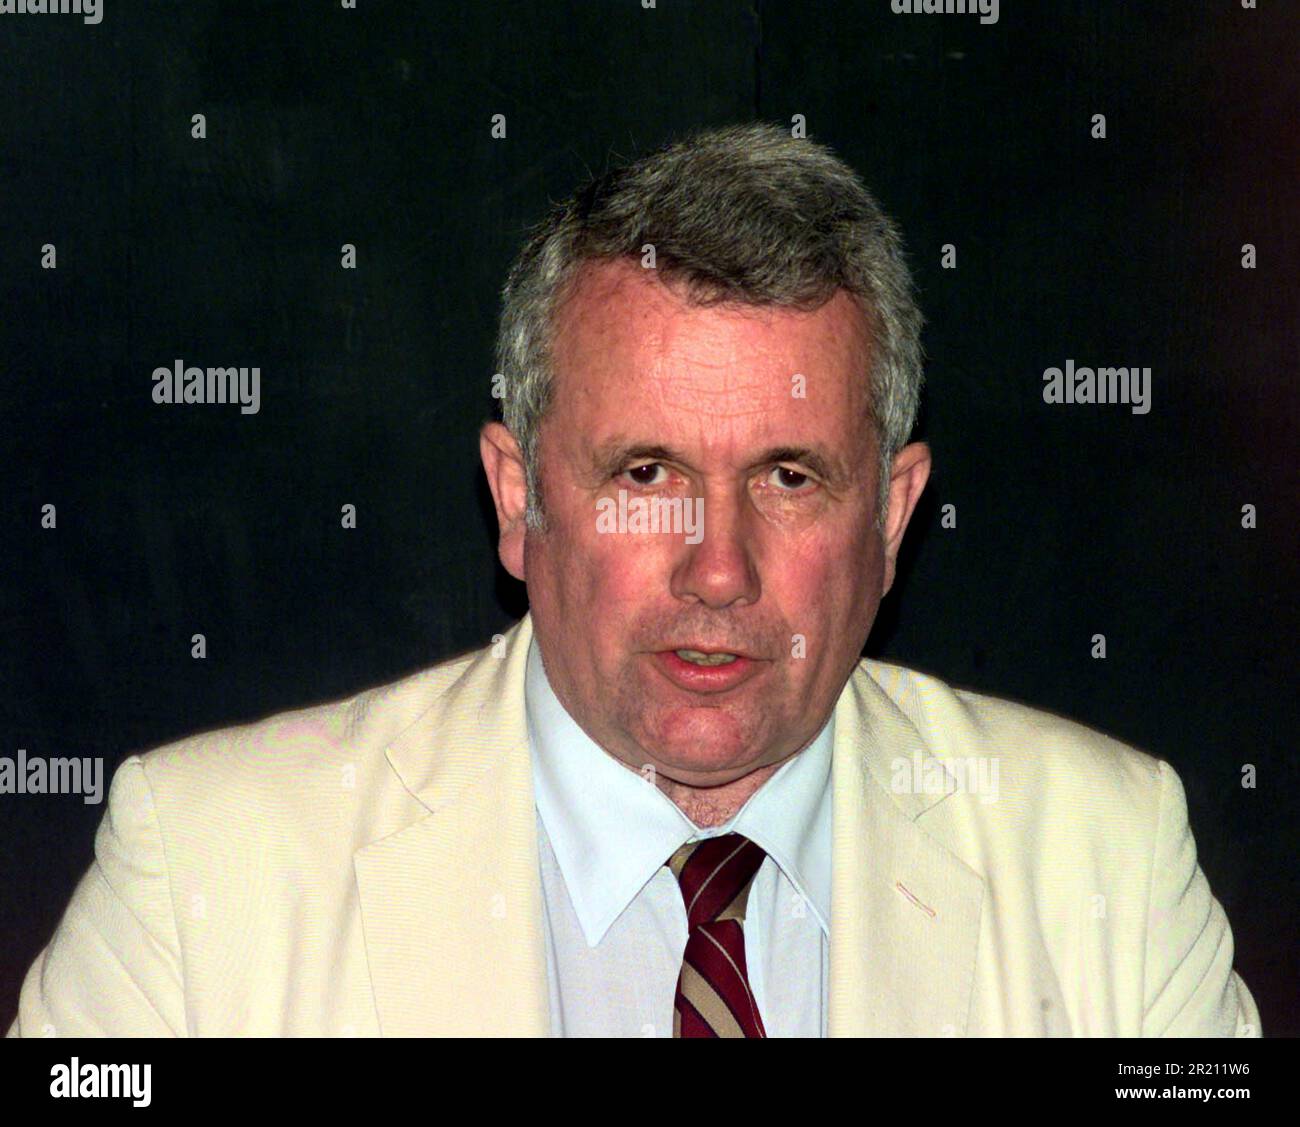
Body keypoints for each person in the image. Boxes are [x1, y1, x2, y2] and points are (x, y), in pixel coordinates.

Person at [7, 122, 1259, 1037]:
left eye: (787, 477)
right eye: (646, 469)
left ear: (890, 514)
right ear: (518, 497)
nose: (717, 567)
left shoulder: (1105, 864)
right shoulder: (209, 872)